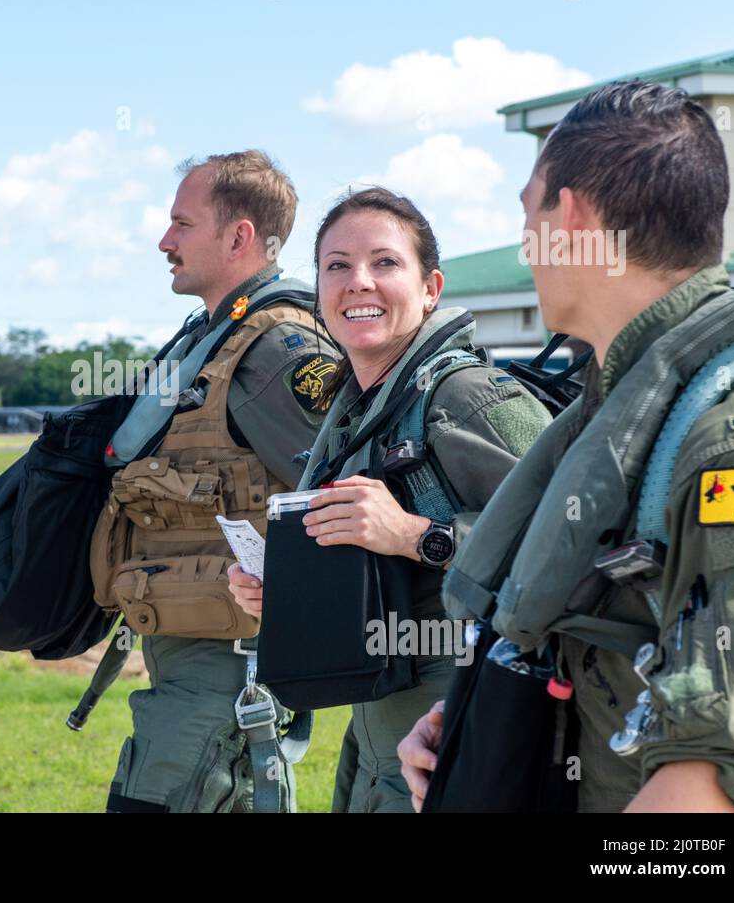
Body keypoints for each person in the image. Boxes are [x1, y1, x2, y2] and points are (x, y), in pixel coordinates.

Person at [399, 80, 734, 813]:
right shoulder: (621, 408)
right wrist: (482, 732)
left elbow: (714, 785)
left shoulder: (731, 439)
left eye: (526, 212)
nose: (523, 247)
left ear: (567, 216)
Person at [228, 187, 552, 812]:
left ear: (431, 288)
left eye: (385, 263)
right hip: (379, 734)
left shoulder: (469, 397)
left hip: (456, 733)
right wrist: (284, 589)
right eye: (337, 266)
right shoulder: (356, 414)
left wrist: (413, 534)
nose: (359, 282)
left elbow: (567, 550)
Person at [91, 150, 342, 812]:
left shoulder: (276, 350)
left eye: (182, 223)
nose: (164, 240)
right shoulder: (208, 339)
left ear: (239, 236)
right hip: (188, 650)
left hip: (230, 665)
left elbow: (339, 491)